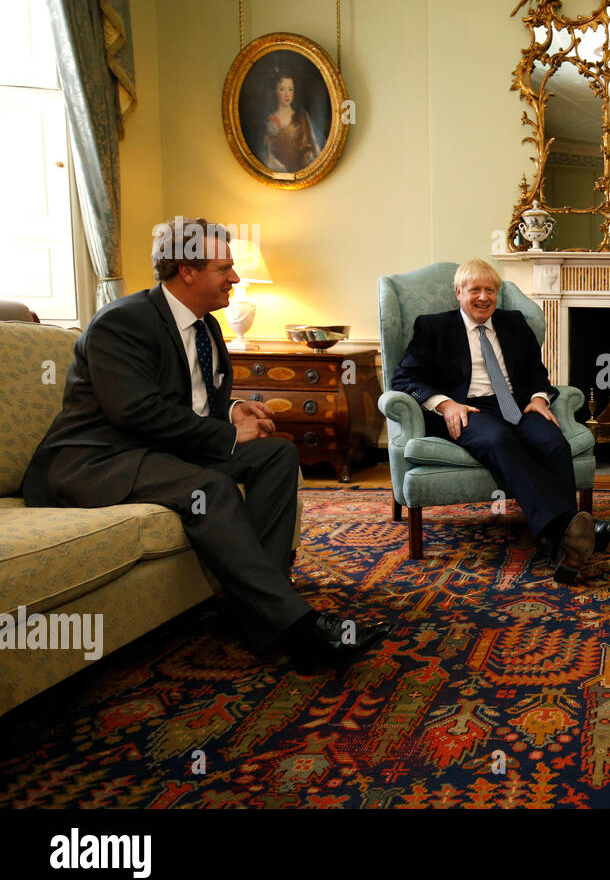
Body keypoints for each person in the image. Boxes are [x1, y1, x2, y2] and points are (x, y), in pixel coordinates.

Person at [21, 218, 390, 669]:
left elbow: (191, 396)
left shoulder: (206, 326)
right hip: (96, 459)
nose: (235, 278)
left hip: (158, 451)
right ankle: (297, 630)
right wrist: (228, 435)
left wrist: (232, 409)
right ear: (187, 271)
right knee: (209, 490)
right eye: (225, 268)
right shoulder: (122, 323)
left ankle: (255, 612)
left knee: (277, 453)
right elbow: (136, 411)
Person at [390, 259, 610, 584]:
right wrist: (445, 404)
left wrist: (538, 397)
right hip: (468, 408)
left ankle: (566, 547)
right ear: (458, 293)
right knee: (498, 441)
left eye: (490, 290)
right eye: (475, 290)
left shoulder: (513, 323)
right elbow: (405, 377)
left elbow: (537, 372)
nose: (483, 297)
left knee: (553, 442)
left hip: (515, 405)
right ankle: (569, 535)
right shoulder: (433, 327)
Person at [262, 71, 323, 172]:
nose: (287, 94)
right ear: (275, 91)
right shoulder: (269, 120)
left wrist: (308, 156)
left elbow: (310, 146)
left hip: (302, 172)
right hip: (277, 174)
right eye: (282, 89)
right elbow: (265, 153)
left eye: (290, 89)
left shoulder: (301, 117)